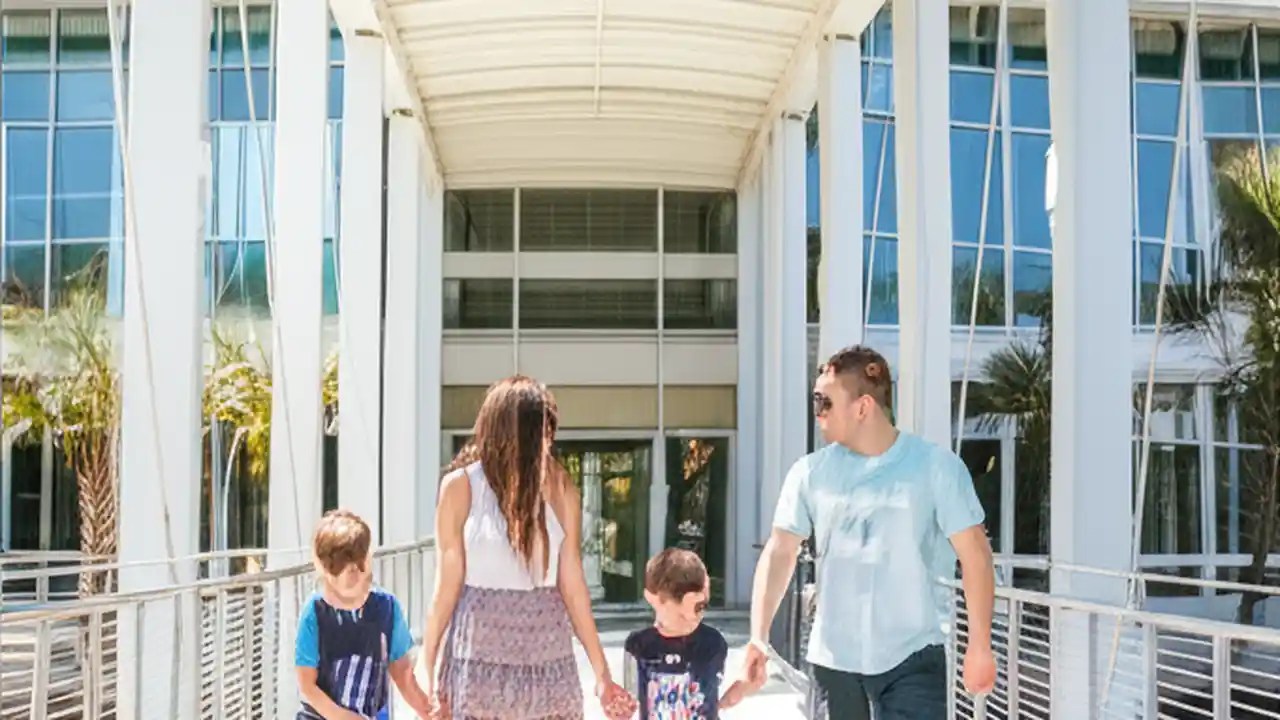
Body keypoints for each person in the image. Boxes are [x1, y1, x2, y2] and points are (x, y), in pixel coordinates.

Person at [740, 345, 996, 719]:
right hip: (833, 663)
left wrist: (980, 646)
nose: (818, 413)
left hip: (915, 658)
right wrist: (758, 636)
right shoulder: (808, 473)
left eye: (824, 403)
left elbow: (976, 556)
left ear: (862, 408)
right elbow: (780, 551)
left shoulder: (938, 467)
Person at [421, 375, 638, 719]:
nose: (547, 442)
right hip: (478, 663)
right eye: (539, 432)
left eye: (549, 431)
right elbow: (446, 585)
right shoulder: (461, 487)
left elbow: (573, 585)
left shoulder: (559, 486)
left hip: (547, 661)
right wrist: (427, 668)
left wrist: (603, 677)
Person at [295, 509, 433, 720]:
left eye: (358, 560)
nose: (352, 572)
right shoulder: (314, 612)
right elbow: (307, 684)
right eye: (339, 564)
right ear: (323, 567)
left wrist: (429, 711)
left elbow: (403, 674)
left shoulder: (387, 607)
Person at [623, 548, 753, 719]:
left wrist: (743, 687)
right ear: (653, 599)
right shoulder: (639, 645)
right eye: (680, 616)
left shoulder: (712, 642)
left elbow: (713, 697)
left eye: (699, 609)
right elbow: (631, 699)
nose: (692, 619)